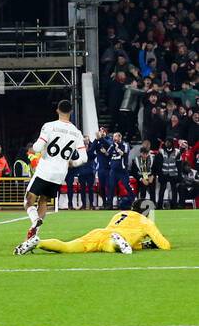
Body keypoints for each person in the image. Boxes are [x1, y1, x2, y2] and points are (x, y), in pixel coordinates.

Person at [13, 100, 87, 254]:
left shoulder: (49, 126)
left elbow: (38, 147)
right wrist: (72, 163)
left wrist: (33, 149)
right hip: (60, 173)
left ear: (57, 110)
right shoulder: (77, 132)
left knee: (28, 201)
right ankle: (35, 234)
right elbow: (84, 158)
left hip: (45, 169)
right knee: (44, 201)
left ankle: (35, 221)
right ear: (71, 112)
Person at [16, 200, 171, 255]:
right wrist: (152, 242)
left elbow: (136, 242)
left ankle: (38, 242)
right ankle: (119, 243)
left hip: (99, 232)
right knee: (111, 245)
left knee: (67, 247)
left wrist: (142, 246)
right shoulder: (146, 222)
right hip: (110, 239)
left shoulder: (120, 214)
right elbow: (165, 245)